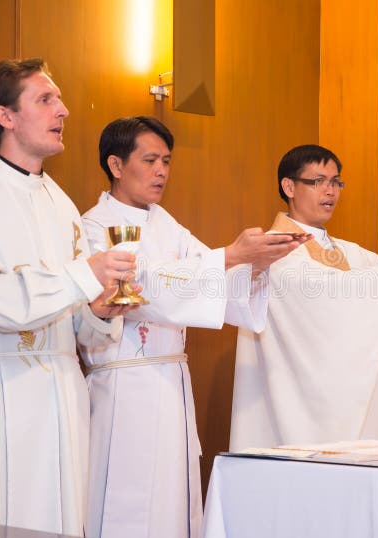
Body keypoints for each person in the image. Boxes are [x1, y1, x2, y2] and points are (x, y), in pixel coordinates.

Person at [0, 58, 136, 536]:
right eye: (46, 100)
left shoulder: (60, 202)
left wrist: (101, 312)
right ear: (6, 116)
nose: (63, 110)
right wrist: (84, 276)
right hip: (0, 392)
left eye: (59, 100)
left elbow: (80, 326)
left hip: (63, 394)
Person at [79, 116, 306, 538]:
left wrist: (257, 264)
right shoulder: (92, 225)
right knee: (123, 502)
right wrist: (230, 256)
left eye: (166, 160)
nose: (162, 170)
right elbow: (137, 287)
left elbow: (214, 276)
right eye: (149, 160)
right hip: (123, 385)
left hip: (170, 381)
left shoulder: (166, 223)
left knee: (171, 500)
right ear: (115, 164)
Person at [229, 144, 378, 451]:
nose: (330, 191)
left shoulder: (344, 250)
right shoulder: (271, 251)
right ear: (289, 186)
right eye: (318, 182)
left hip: (336, 393)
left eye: (336, 182)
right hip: (295, 408)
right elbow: (325, 292)